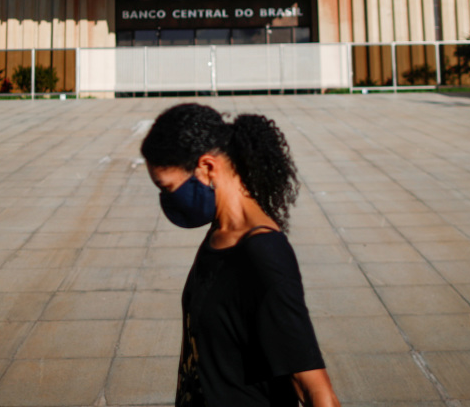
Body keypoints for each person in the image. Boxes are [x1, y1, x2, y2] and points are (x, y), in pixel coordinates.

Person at [141, 103, 341, 407]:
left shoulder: (264, 254)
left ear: (207, 168)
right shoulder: (220, 234)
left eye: (167, 187)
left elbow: (316, 390)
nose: (167, 199)